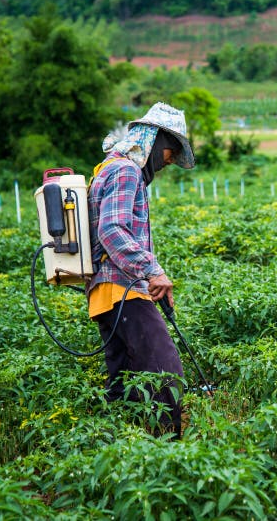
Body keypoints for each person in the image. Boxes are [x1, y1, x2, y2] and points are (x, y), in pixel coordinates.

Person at [86, 102, 195, 438]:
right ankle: (170, 450)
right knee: (165, 371)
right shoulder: (126, 171)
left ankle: (123, 447)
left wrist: (150, 279)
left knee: (124, 379)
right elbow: (112, 230)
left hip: (108, 293)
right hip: (121, 289)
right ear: (156, 141)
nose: (169, 161)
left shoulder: (111, 167)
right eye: (170, 151)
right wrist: (152, 271)